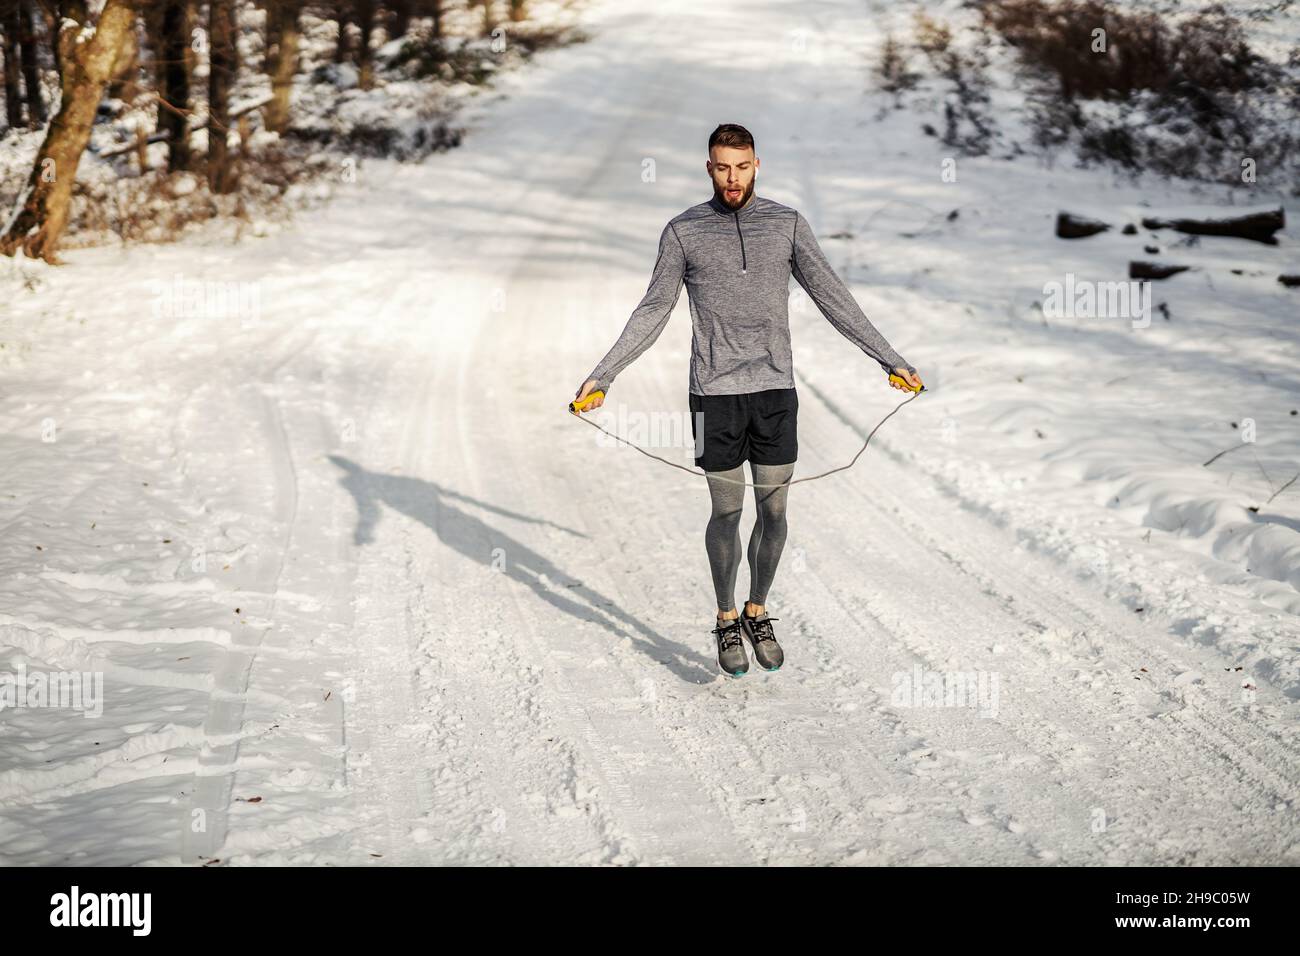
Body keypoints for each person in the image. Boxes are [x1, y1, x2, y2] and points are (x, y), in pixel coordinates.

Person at [572, 123, 923, 677]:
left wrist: (889, 358)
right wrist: (604, 375)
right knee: (727, 511)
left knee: (776, 509)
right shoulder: (683, 232)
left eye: (741, 166)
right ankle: (725, 616)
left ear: (757, 164)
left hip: (774, 389)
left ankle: (758, 610)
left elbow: (833, 294)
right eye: (721, 167)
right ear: (708, 168)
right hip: (715, 395)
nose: (731, 178)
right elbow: (653, 309)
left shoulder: (785, 224)